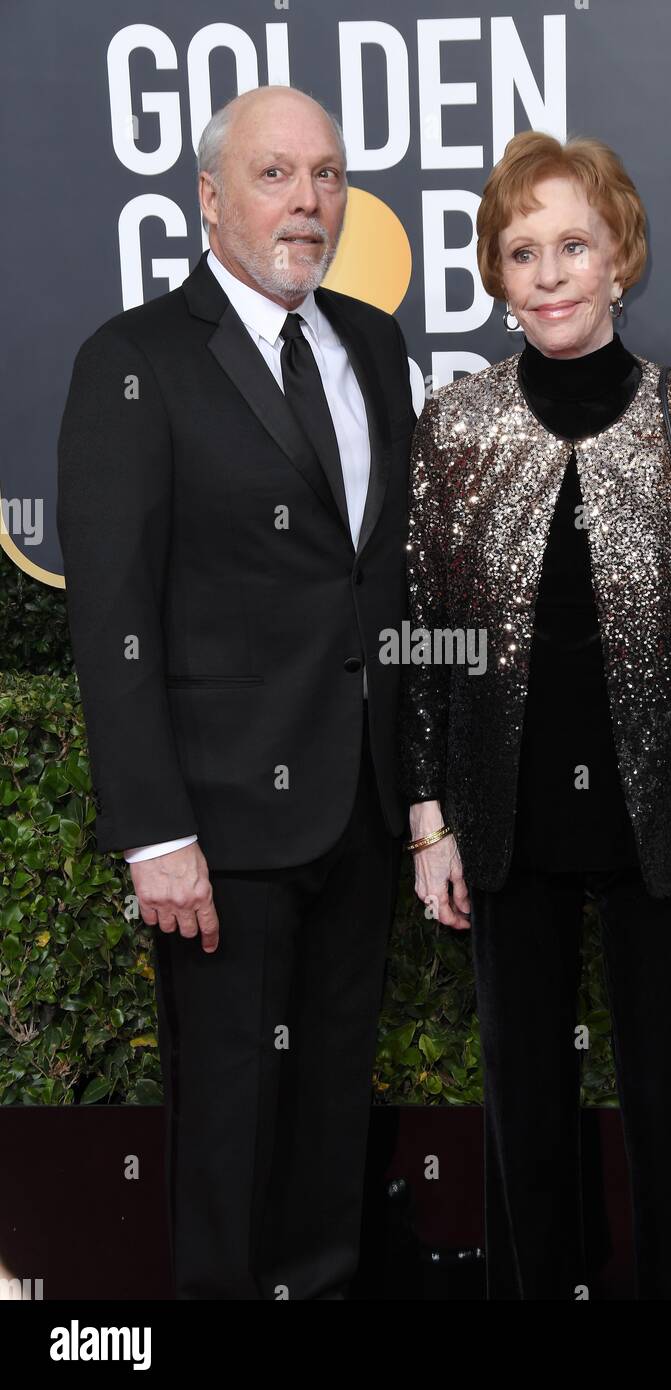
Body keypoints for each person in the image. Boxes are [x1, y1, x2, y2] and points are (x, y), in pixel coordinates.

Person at [400, 130, 671, 1300]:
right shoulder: (455, 431)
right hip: (503, 826)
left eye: (573, 243)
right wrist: (427, 819)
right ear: (498, 276)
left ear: (619, 255)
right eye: (523, 251)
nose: (551, 270)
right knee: (522, 1105)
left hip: (660, 823)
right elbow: (422, 636)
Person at [57, 84, 417, 1300]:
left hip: (360, 807)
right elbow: (111, 616)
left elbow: (383, 581)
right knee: (227, 1135)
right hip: (218, 826)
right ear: (209, 199)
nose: (307, 200)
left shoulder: (372, 341)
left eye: (326, 174)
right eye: (275, 174)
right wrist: (154, 831)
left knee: (328, 1124)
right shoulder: (134, 362)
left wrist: (419, 799)